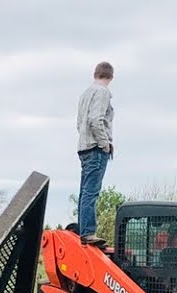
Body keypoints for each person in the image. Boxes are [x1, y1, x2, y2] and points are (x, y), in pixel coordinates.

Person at [76, 61, 114, 247]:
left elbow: (79, 123)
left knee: (84, 192)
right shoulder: (102, 92)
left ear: (95, 74)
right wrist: (105, 144)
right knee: (91, 191)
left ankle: (83, 231)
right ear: (111, 77)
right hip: (95, 148)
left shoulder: (85, 94)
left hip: (83, 147)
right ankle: (88, 232)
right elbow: (95, 120)